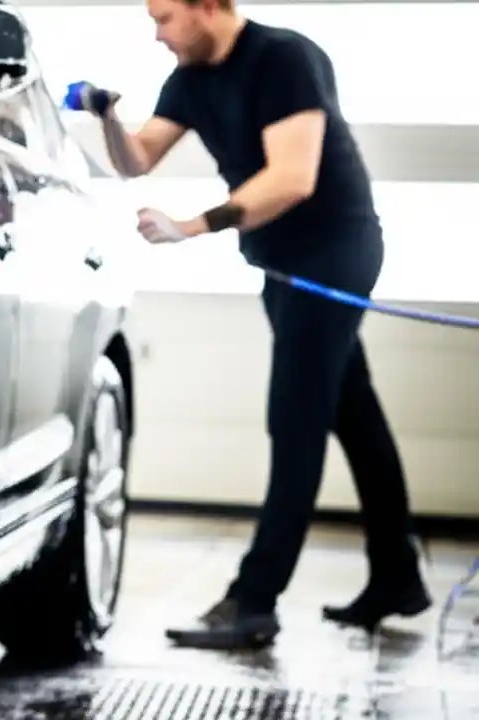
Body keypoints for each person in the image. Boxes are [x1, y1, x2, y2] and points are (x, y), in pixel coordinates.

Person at [77, 0, 432, 649]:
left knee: (295, 419)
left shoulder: (285, 58)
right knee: (352, 411)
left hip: (334, 254)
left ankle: (254, 601)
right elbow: (138, 160)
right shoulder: (190, 76)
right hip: (281, 262)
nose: (157, 35)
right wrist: (108, 116)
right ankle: (397, 576)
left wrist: (191, 226)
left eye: (165, 18)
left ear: (208, 6)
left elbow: (293, 178)